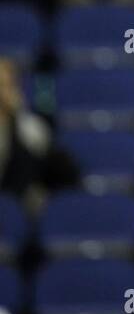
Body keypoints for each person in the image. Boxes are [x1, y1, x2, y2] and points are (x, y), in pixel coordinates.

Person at [0, 56, 80, 210]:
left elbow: (57, 173)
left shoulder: (30, 127)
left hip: (18, 208)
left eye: (5, 85)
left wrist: (17, 116)